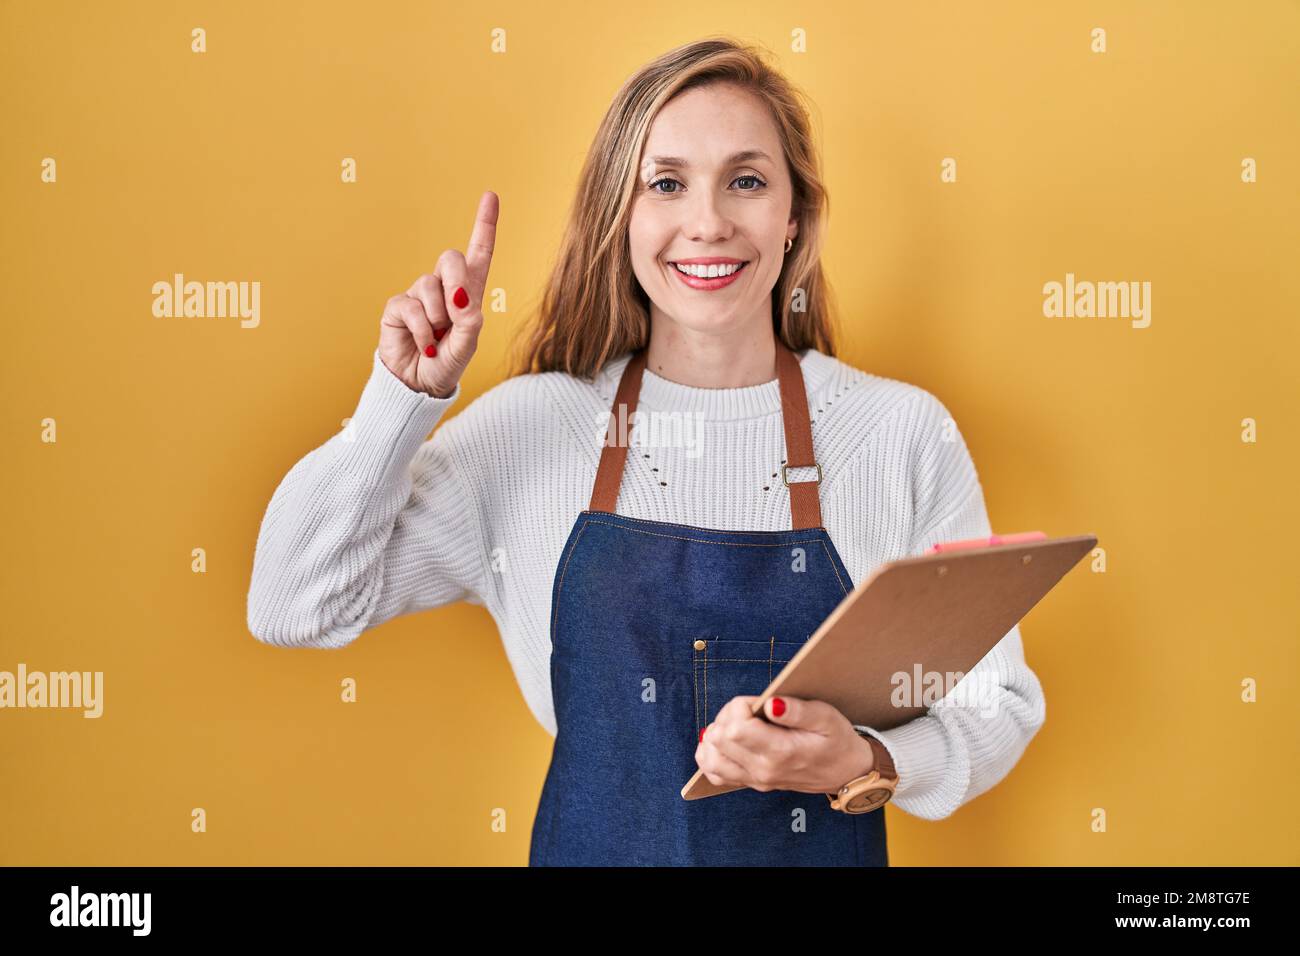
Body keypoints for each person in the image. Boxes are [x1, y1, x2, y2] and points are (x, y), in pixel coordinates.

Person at [246, 36, 1045, 867]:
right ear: (620, 216)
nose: (708, 222)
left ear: (792, 216)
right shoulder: (532, 431)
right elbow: (293, 604)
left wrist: (868, 761)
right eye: (666, 183)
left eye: (747, 180)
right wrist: (401, 399)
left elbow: (1000, 703)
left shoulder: (898, 434)